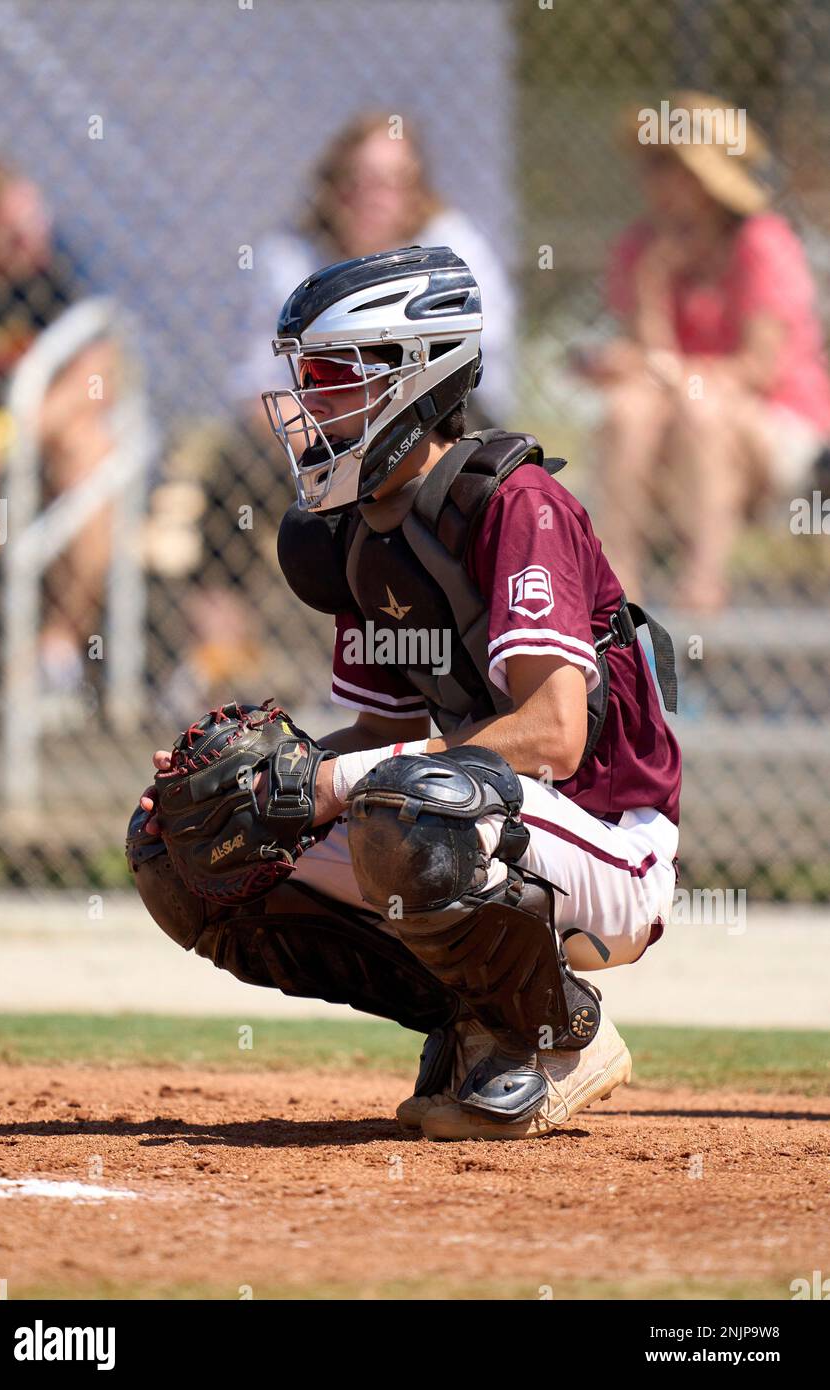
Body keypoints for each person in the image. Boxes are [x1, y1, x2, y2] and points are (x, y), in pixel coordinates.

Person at [129, 246, 681, 1143]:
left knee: (401, 807)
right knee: (187, 847)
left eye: (329, 377)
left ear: (410, 377)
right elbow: (381, 733)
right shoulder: (357, 536)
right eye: (303, 378)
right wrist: (264, 780)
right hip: (482, 826)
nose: (307, 405)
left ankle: (557, 1041)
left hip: (611, 846)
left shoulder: (516, 505)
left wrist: (339, 784)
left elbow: (554, 736)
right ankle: (482, 1017)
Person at [583, 92, 830, 612]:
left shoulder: (761, 242)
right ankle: (618, 591)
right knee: (629, 409)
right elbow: (652, 366)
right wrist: (651, 286)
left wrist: (668, 373)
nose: (648, 176)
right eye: (649, 162)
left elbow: (759, 370)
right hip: (682, 420)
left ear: (706, 178)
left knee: (701, 406)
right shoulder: (641, 246)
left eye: (665, 163)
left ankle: (703, 589)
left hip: (774, 424)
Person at [230, 110, 515, 430]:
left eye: (389, 183)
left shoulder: (450, 248)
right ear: (330, 187)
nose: (370, 198)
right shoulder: (290, 258)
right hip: (315, 427)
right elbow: (257, 386)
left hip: (430, 419)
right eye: (355, 180)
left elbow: (484, 360)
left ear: (415, 192)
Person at [0, 155, 118, 704]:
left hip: (38, 459)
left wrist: (13, 428)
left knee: (89, 449)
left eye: (36, 223)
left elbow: (103, 370)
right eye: (12, 232)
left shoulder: (55, 274)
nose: (33, 240)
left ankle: (56, 657)